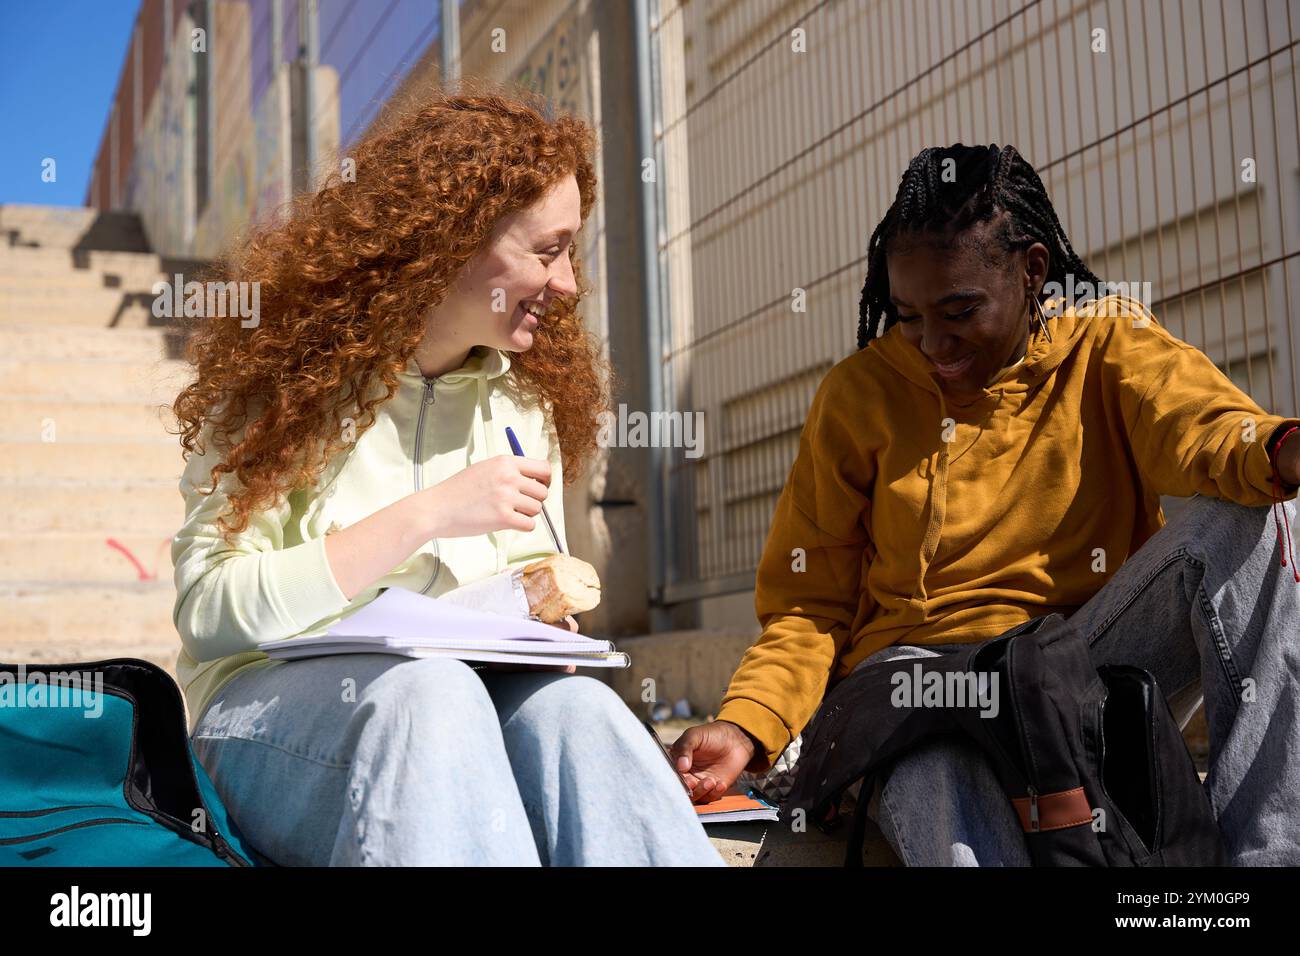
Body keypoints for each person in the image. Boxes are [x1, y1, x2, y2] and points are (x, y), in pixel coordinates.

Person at [671, 143, 1300, 865]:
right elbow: (810, 604)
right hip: (923, 689)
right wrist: (748, 723)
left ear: (1032, 269)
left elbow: (1202, 430)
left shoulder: (1107, 343)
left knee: (1259, 518)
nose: (934, 343)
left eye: (959, 310)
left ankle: (1269, 859)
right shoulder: (857, 397)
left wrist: (1278, 450)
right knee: (945, 776)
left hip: (1071, 666)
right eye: (908, 316)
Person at [169, 88, 723, 866]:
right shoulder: (284, 392)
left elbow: (517, 606)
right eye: (548, 250)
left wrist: (543, 625)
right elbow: (210, 613)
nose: (568, 284)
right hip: (267, 721)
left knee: (578, 713)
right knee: (429, 697)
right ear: (451, 243)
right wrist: (423, 516)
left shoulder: (524, 403)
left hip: (450, 718)